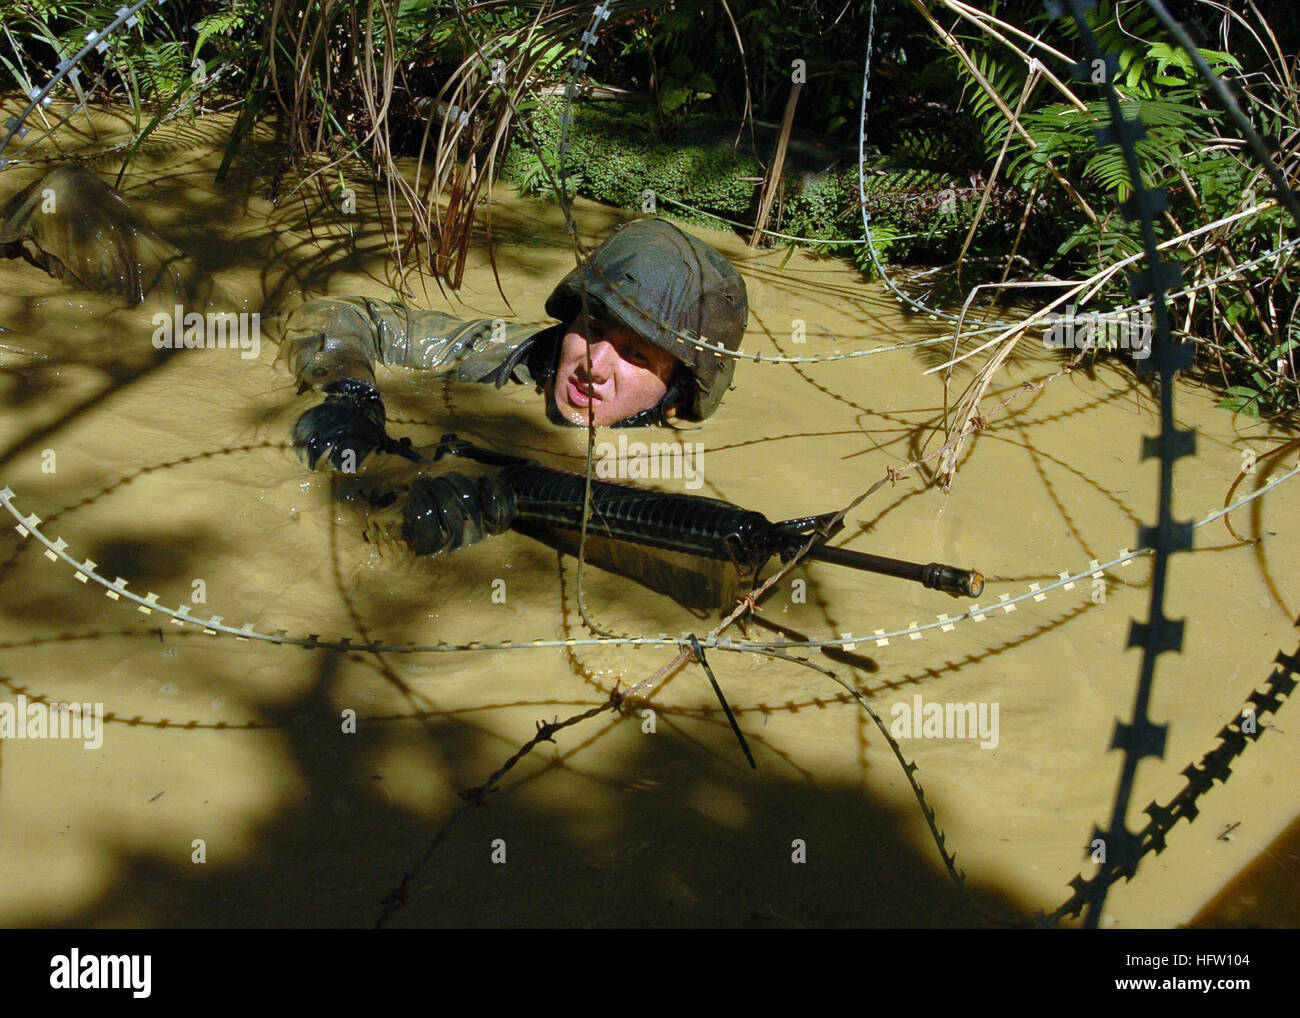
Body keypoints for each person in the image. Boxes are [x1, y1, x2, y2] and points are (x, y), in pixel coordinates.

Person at [280, 216, 750, 471]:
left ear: (675, 398)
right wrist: (351, 392)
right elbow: (336, 315)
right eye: (594, 329)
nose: (594, 364)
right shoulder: (504, 352)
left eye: (635, 355)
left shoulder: (676, 467)